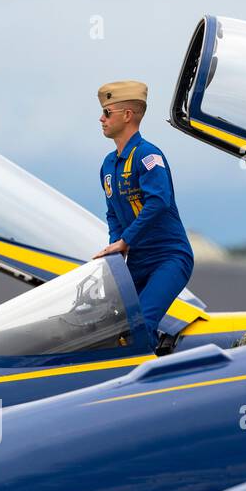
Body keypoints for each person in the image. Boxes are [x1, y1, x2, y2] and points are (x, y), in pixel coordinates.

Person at [93, 81, 194, 353]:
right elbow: (113, 213)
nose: (101, 119)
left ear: (127, 115)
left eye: (107, 112)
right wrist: (117, 250)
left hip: (169, 258)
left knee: (140, 327)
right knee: (114, 329)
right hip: (136, 260)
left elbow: (159, 202)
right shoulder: (108, 165)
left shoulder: (148, 156)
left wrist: (125, 240)